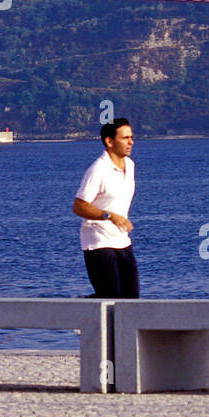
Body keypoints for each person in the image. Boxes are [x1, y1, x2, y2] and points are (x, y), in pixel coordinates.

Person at [72, 119, 138, 299]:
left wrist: (119, 219)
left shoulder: (130, 165)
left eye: (131, 137)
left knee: (132, 300)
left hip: (122, 240)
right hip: (98, 241)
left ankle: (84, 306)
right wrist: (109, 216)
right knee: (110, 298)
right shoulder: (98, 170)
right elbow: (79, 206)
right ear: (109, 142)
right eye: (125, 138)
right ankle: (80, 311)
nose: (131, 142)